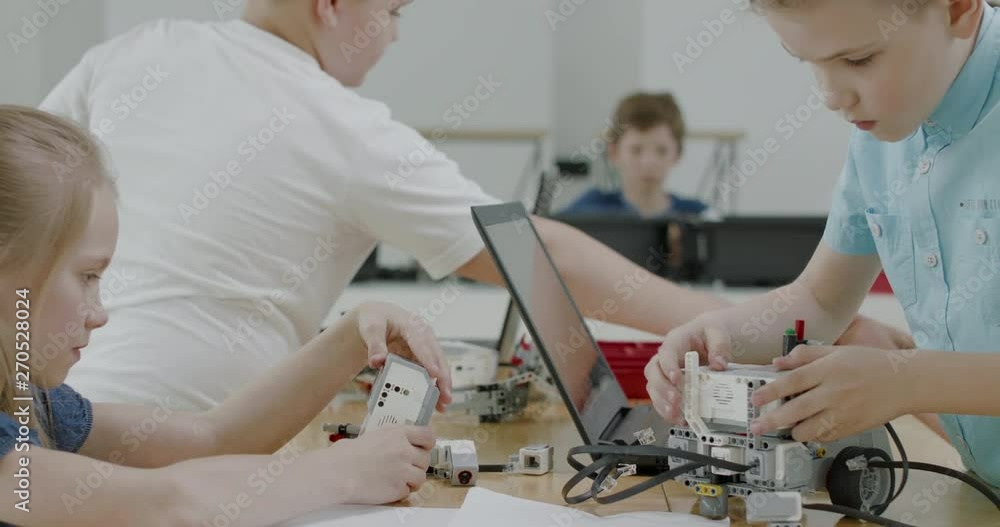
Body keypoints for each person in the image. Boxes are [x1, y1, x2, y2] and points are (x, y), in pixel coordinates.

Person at [39, 0, 910, 412]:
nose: (394, 34)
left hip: (48, 416)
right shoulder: (340, 122)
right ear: (332, 6)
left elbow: (32, 216)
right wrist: (726, 323)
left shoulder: (137, 52)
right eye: (390, 11)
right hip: (185, 439)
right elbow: (535, 253)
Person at [0, 105, 456, 525]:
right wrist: (344, 471)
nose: (99, 314)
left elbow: (210, 439)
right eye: (86, 276)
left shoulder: (33, 403)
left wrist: (353, 336)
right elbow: (169, 504)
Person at [646, 0, 1000, 486]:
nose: (831, 97)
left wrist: (905, 379)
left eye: (858, 61)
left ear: (957, 8)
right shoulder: (884, 132)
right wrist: (716, 332)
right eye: (807, 62)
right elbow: (822, 299)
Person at [561, 92, 709, 218]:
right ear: (614, 152)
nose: (649, 162)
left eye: (661, 151)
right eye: (636, 150)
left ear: (678, 153)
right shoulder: (588, 210)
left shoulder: (699, 216)